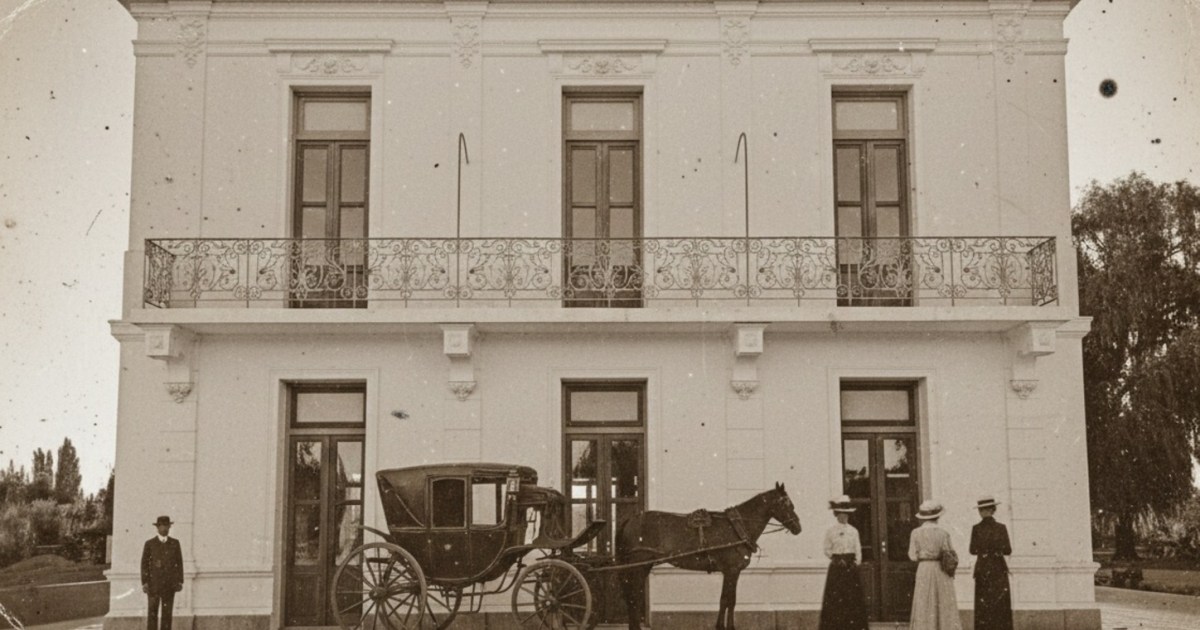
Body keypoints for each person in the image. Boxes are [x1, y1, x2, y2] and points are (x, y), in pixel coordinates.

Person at [908, 500, 962, 630]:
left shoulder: (916, 532)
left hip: (924, 569)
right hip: (940, 569)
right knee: (942, 600)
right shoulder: (943, 533)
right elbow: (950, 553)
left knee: (924, 600)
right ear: (937, 517)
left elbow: (912, 556)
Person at [818, 495, 868, 630]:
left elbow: (858, 549)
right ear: (837, 515)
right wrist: (835, 559)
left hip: (850, 567)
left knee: (852, 598)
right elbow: (826, 548)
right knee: (835, 599)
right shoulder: (831, 531)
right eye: (841, 514)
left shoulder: (853, 531)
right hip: (837, 568)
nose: (844, 517)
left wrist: (855, 563)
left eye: (846, 514)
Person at [970, 496, 1012, 630]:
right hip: (998, 567)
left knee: (983, 603)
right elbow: (1007, 550)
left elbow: (972, 550)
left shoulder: (976, 528)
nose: (981, 512)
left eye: (982, 509)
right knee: (1000, 603)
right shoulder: (1001, 528)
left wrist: (984, 550)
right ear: (993, 510)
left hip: (982, 568)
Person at [141, 515, 184, 630]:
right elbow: (144, 564)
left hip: (169, 585)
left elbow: (179, 563)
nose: (164, 528)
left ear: (170, 527)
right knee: (152, 613)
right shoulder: (150, 544)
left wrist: (180, 581)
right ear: (157, 528)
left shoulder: (175, 543)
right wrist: (145, 582)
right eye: (162, 526)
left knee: (167, 614)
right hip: (153, 585)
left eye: (167, 526)